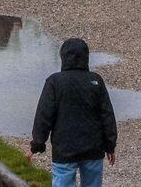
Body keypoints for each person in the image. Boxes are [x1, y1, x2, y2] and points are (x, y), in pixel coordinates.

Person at [29, 37, 117, 186]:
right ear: (86, 57)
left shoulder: (54, 82)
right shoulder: (95, 80)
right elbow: (107, 115)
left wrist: (37, 144)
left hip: (64, 149)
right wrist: (110, 145)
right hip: (93, 148)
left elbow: (44, 115)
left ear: (63, 57)